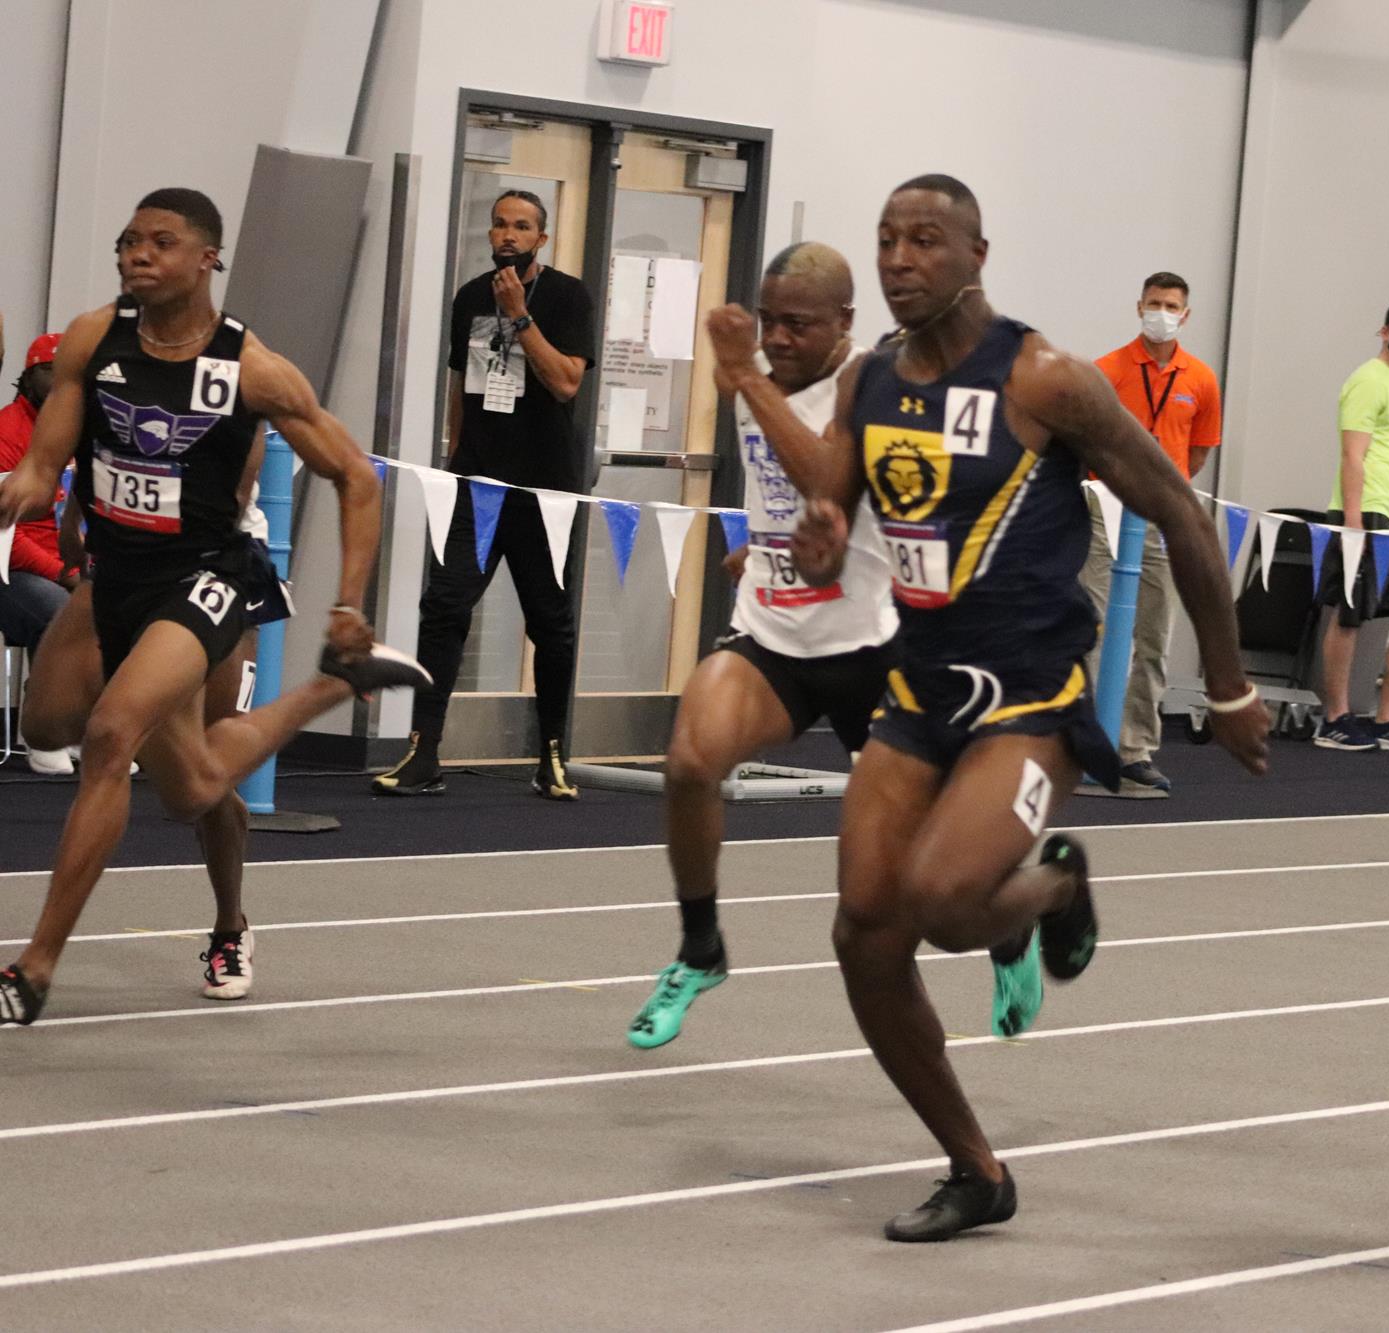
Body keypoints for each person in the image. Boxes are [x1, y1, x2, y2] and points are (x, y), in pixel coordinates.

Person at [705, 174, 1268, 1243]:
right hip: (917, 692)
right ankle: (974, 1168)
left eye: (924, 241)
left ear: (975, 254)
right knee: (864, 933)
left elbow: (1180, 515)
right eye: (885, 241)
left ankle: (1053, 885)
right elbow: (833, 491)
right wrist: (820, 526)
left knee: (946, 905)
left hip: (1029, 700)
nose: (900, 259)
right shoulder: (868, 377)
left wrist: (1231, 685)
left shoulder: (1041, 376)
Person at [0, 187, 428, 1026]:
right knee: (152, 768)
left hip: (205, 576)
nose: (137, 255)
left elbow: (357, 478)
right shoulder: (95, 337)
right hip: (114, 576)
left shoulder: (252, 370)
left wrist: (348, 602)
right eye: (127, 241)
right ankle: (325, 694)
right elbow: (47, 462)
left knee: (110, 737)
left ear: (207, 259)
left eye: (160, 242)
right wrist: (26, 487)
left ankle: (34, 967)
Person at [625, 242, 897, 1048]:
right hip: (774, 628)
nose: (777, 339)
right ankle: (700, 944)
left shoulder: (868, 381)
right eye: (769, 321)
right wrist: (762, 543)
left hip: (874, 642)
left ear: (846, 322)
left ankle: (1011, 913)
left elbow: (824, 478)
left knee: (913, 877)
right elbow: (782, 491)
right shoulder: (747, 374)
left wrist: (745, 375)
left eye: (799, 326)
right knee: (690, 763)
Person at [21, 450, 295, 1000]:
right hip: (125, 574)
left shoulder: (239, 380)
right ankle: (38, 960)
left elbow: (233, 498)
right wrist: (78, 547)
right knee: (53, 728)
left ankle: (229, 929)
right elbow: (81, 488)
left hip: (221, 573)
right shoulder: (107, 375)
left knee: (204, 780)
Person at [372, 189, 597, 800]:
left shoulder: (568, 296)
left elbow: (566, 383)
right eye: (500, 223)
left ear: (540, 240)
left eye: (522, 226)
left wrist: (521, 316)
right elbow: (462, 384)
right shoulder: (470, 296)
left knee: (550, 623)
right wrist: (453, 459)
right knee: (443, 609)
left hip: (545, 491)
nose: (507, 234)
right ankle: (424, 753)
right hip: (477, 483)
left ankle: (551, 753)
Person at [1080, 271, 1223, 796]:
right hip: (1104, 508)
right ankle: (1087, 745)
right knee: (1092, 628)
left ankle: (1135, 749)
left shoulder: (1201, 380)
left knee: (1153, 633)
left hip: (1163, 514)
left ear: (1186, 315)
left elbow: (1199, 451)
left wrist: (1166, 490)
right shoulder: (1106, 371)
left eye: (1171, 305)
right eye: (1154, 303)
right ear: (1138, 305)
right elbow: (1084, 441)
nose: (1161, 312)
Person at [1313, 297, 1389, 754]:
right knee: (1350, 615)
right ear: (1385, 331)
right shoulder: (1368, 380)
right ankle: (1335, 719)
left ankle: (1386, 718)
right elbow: (1352, 454)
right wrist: (1351, 522)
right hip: (1362, 512)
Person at [0, 333, 81, 773]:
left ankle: (79, 726)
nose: (58, 383)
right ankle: (41, 727)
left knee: (113, 608)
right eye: (49, 372)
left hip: (64, 562)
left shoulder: (81, 432)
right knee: (60, 611)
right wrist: (62, 571)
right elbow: (4, 532)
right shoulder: (7, 432)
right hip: (8, 567)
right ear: (29, 377)